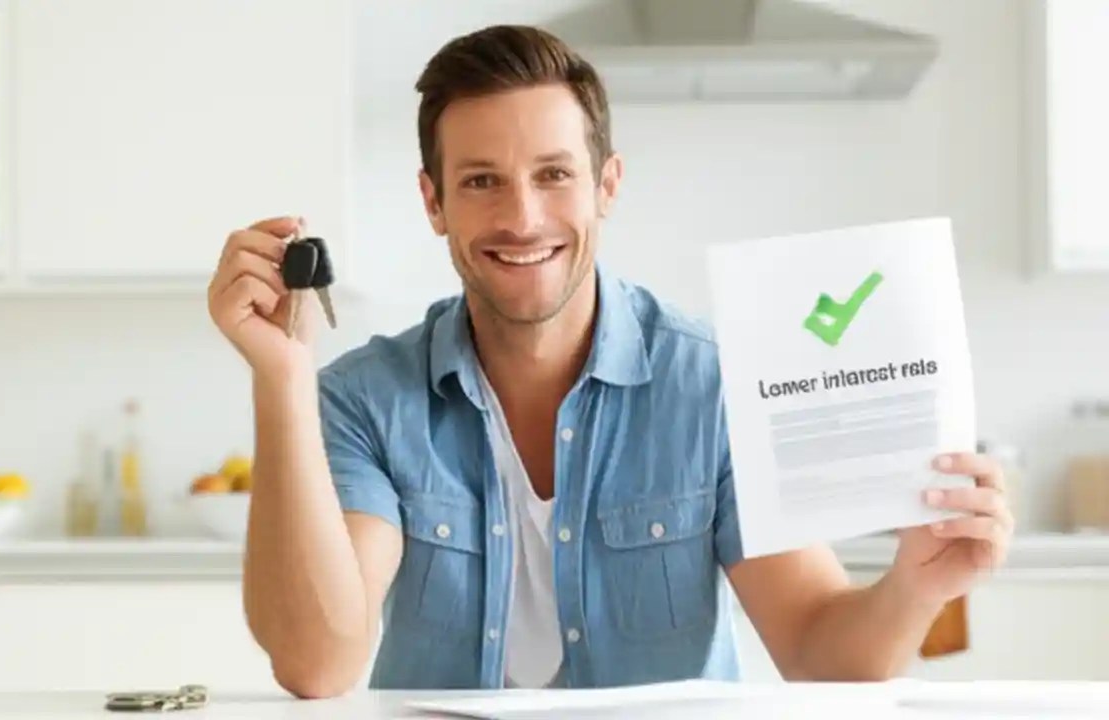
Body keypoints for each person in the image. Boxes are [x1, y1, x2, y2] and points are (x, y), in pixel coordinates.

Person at [206, 24, 1013, 699]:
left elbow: (814, 647)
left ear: (607, 185)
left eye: (553, 175)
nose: (522, 218)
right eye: (482, 180)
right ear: (433, 202)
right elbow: (319, 663)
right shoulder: (365, 400)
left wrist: (917, 587)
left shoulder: (712, 387)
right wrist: (281, 376)